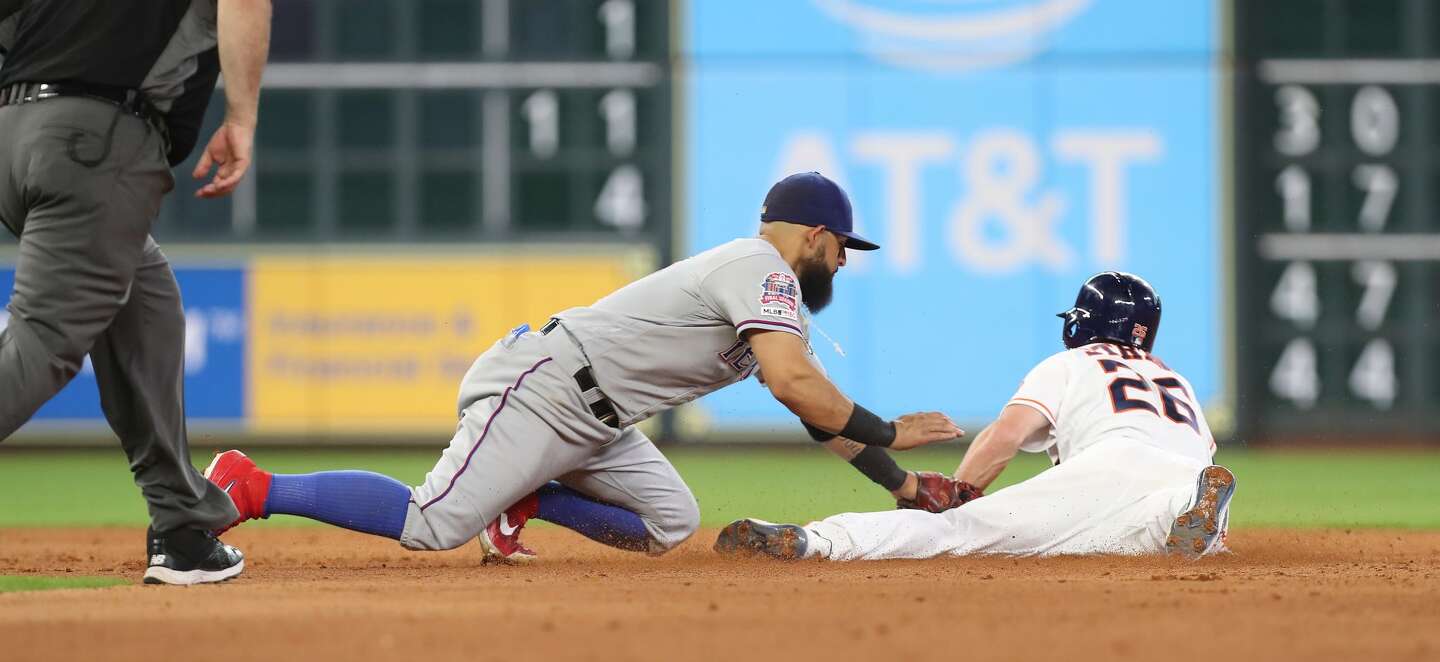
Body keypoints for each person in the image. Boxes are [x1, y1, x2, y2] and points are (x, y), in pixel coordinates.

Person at [203, 172, 967, 561]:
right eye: (842, 246)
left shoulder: (770, 297)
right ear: (815, 233)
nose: (844, 260)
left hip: (600, 421)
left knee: (669, 524)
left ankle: (524, 502)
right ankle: (254, 485)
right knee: (432, 524)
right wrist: (890, 429)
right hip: (545, 390)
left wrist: (901, 486)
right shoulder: (761, 267)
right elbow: (802, 387)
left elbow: (806, 409)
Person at [0, 0, 272, 584]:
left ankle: (182, 526)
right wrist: (242, 118)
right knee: (43, 340)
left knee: (148, 306)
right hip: (97, 136)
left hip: (15, 131)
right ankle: (180, 521)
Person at [714, 272, 1237, 561]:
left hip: (1111, 463)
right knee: (1127, 538)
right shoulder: (1178, 379)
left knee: (957, 534)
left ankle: (817, 541)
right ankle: (1190, 512)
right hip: (1184, 475)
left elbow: (1007, 436)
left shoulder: (1072, 362)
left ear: (1085, 323)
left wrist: (961, 493)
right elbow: (1200, 449)